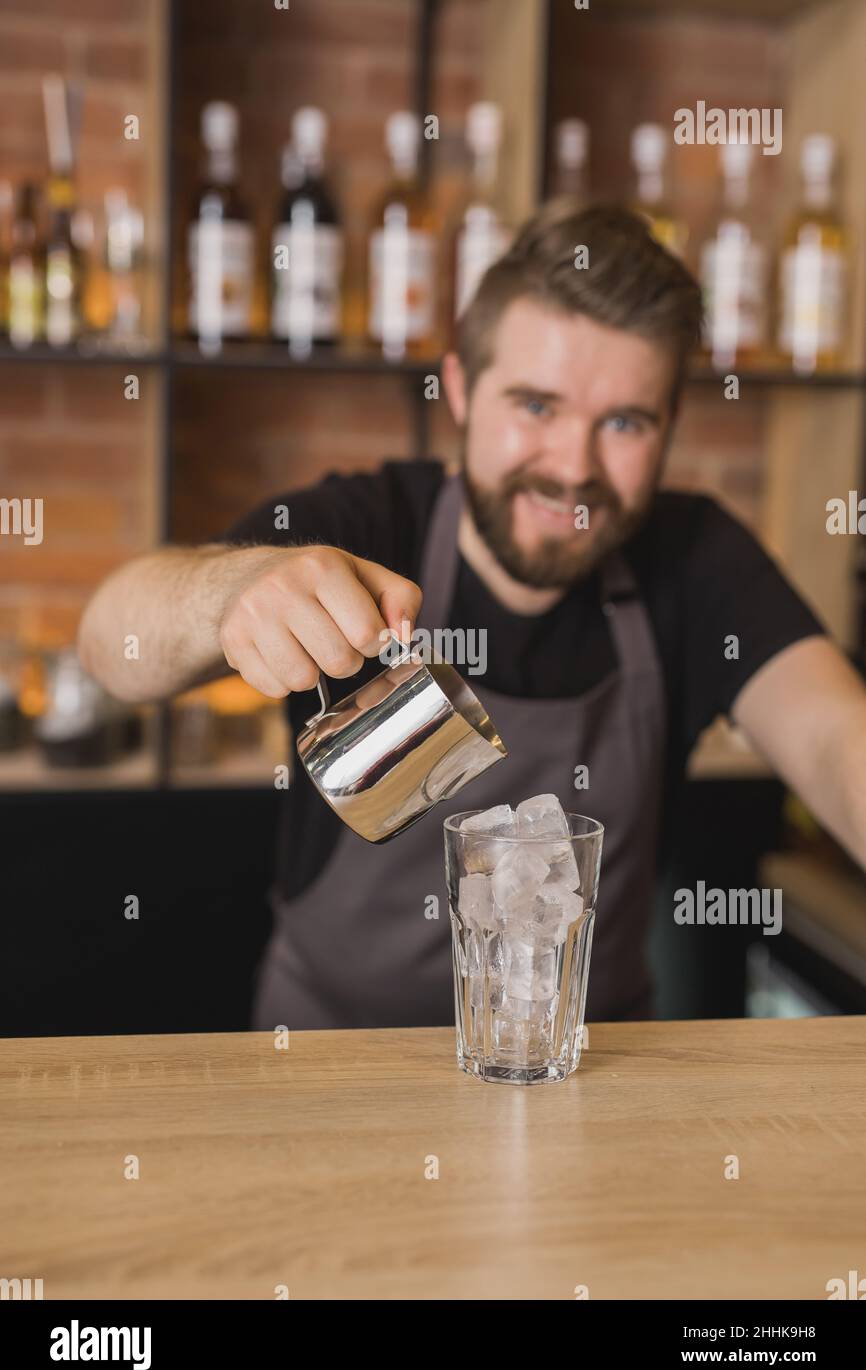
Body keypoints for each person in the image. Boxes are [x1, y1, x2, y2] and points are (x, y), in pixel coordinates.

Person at [79, 203, 866, 1028]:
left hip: (591, 1073)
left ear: (669, 428)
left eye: (625, 423)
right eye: (535, 406)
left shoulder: (697, 560)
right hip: (327, 1065)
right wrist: (234, 591)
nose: (573, 467)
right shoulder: (369, 523)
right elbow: (109, 639)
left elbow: (832, 737)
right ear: (460, 389)